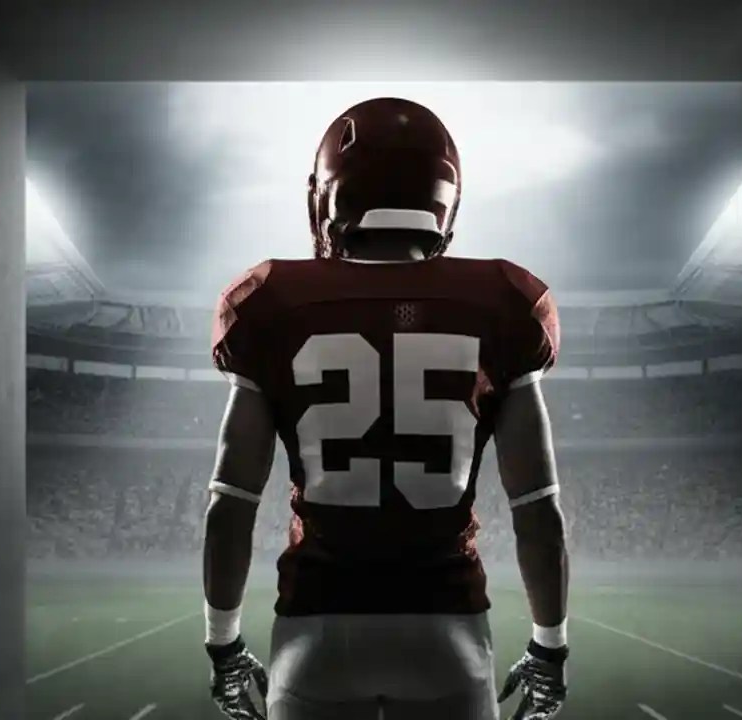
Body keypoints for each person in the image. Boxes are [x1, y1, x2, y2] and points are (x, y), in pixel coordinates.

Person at [201, 97, 570, 720]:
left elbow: (231, 502)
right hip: (447, 627)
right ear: (445, 199)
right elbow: (537, 508)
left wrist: (222, 645)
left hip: (317, 627)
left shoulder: (274, 301)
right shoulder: (501, 301)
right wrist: (550, 648)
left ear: (327, 196)